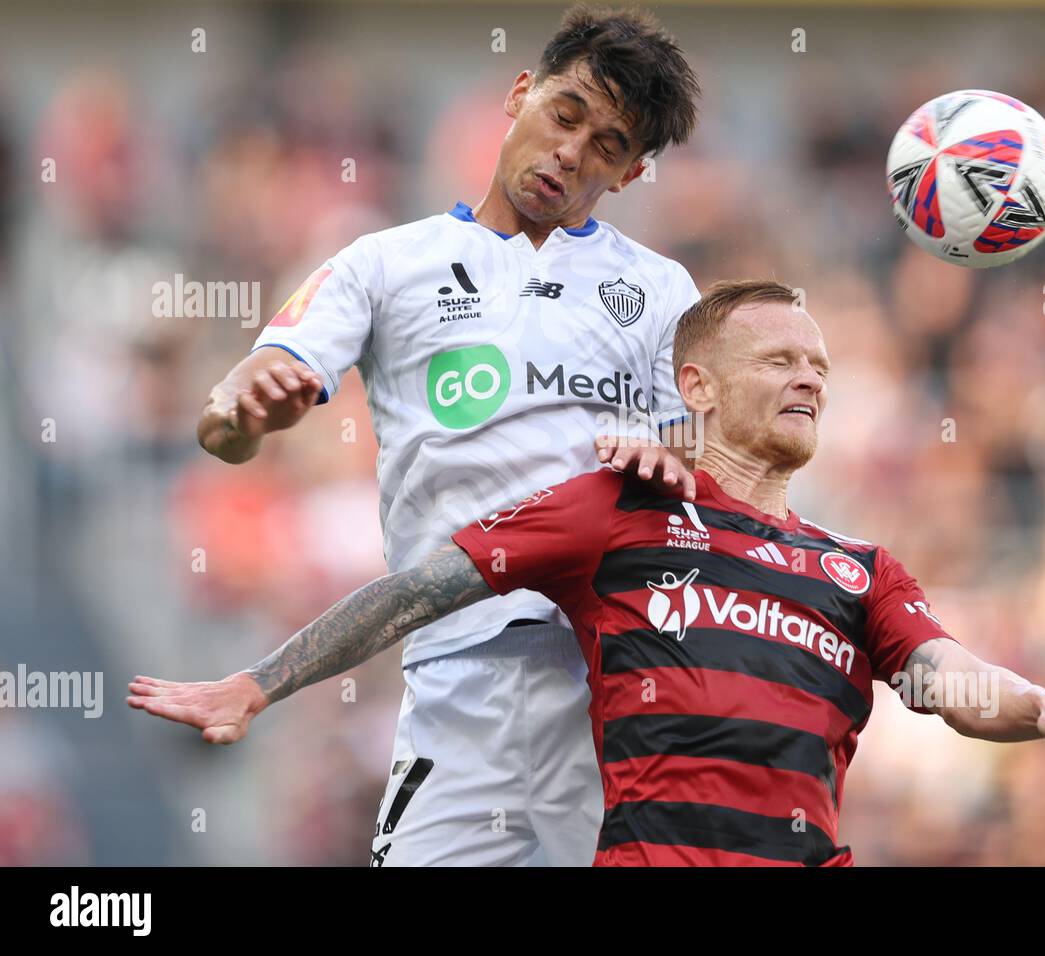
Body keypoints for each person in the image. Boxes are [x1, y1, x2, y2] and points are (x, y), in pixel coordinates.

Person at [132, 279, 1045, 866]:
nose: (809, 376)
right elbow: (415, 591)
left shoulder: (858, 569)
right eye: (780, 359)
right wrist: (259, 680)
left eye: (821, 366)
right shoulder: (616, 511)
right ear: (699, 385)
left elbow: (943, 680)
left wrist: (1039, 708)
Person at [184, 5, 703, 866]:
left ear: (633, 173)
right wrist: (242, 411)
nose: (572, 152)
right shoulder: (383, 264)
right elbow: (228, 422)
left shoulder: (659, 288)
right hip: (454, 666)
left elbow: (696, 449)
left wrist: (672, 449)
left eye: (608, 145)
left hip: (613, 671)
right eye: (565, 114)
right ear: (521, 92)